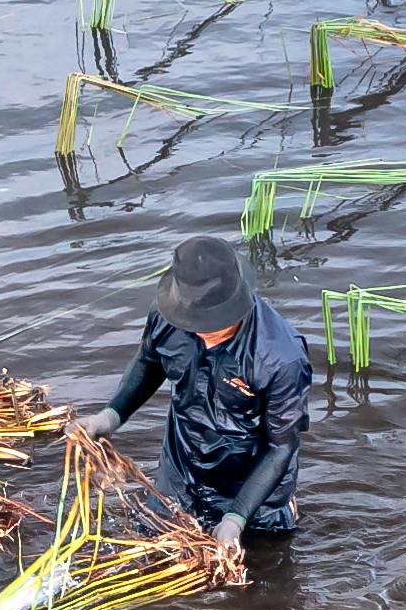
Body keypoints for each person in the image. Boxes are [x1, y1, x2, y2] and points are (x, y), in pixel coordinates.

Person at [64, 233, 305, 582]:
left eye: (215, 324)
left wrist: (237, 517)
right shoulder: (168, 317)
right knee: (155, 562)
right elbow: (149, 361)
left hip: (252, 484)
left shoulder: (280, 357)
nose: (203, 334)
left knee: (259, 586)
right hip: (181, 468)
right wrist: (111, 415)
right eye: (196, 324)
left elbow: (282, 446)